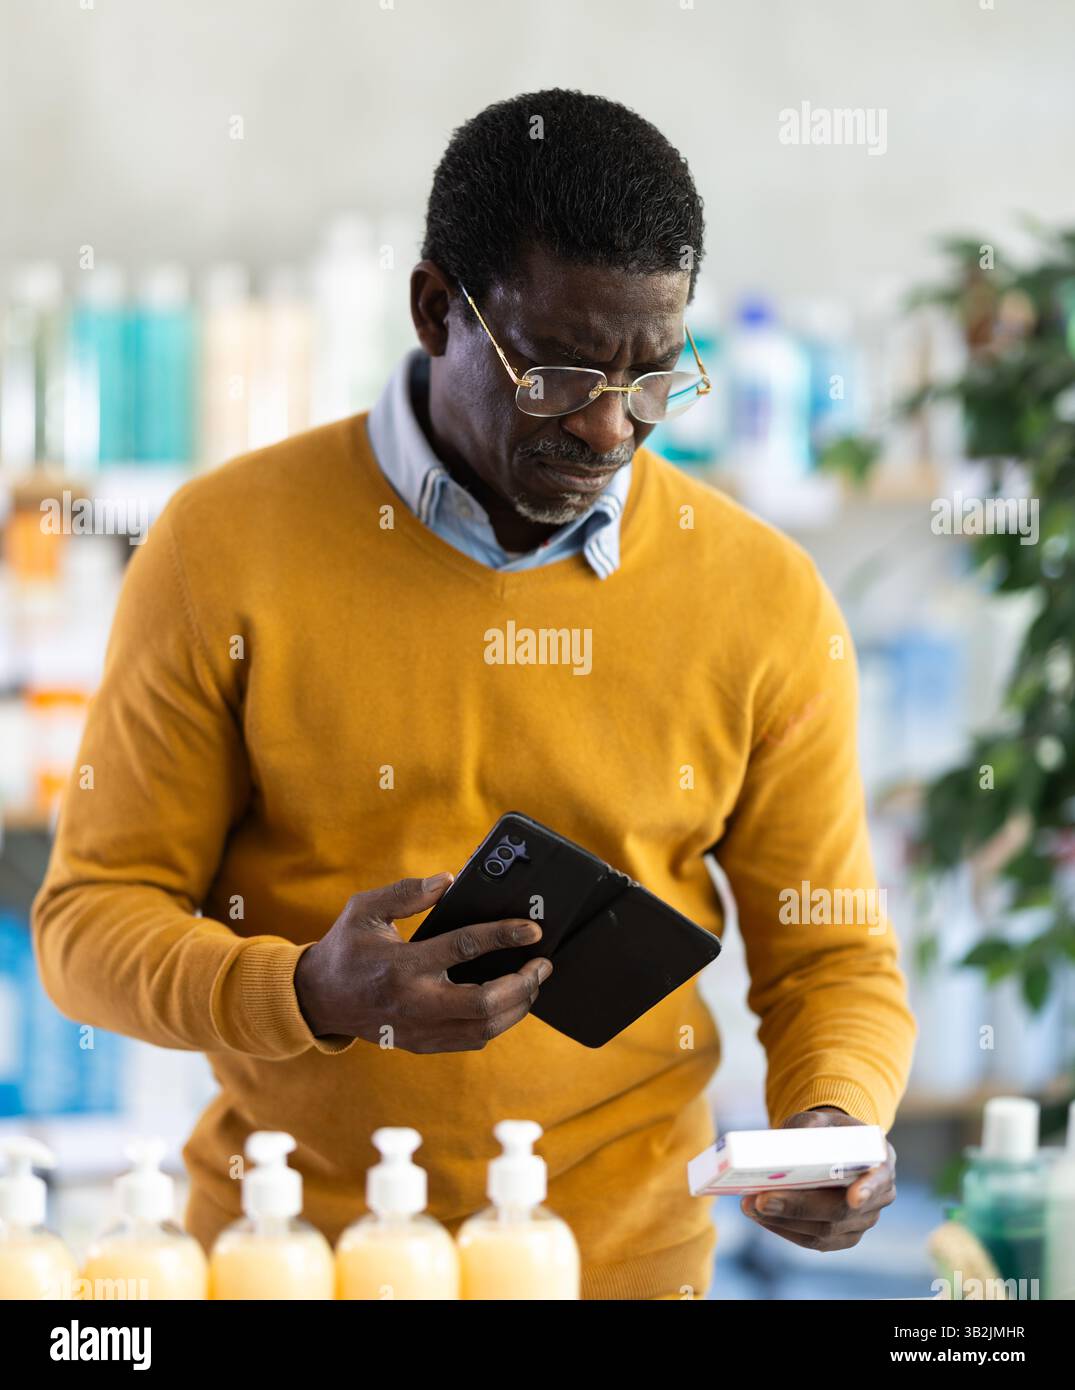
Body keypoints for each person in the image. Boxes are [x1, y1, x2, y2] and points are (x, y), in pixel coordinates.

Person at [33, 89, 915, 1300]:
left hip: (621, 1269)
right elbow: (88, 923)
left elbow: (830, 957)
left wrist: (829, 1117)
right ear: (437, 309)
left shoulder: (762, 598)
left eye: (654, 380)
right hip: (291, 1265)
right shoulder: (222, 548)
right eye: (555, 376)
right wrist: (304, 990)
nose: (608, 429)